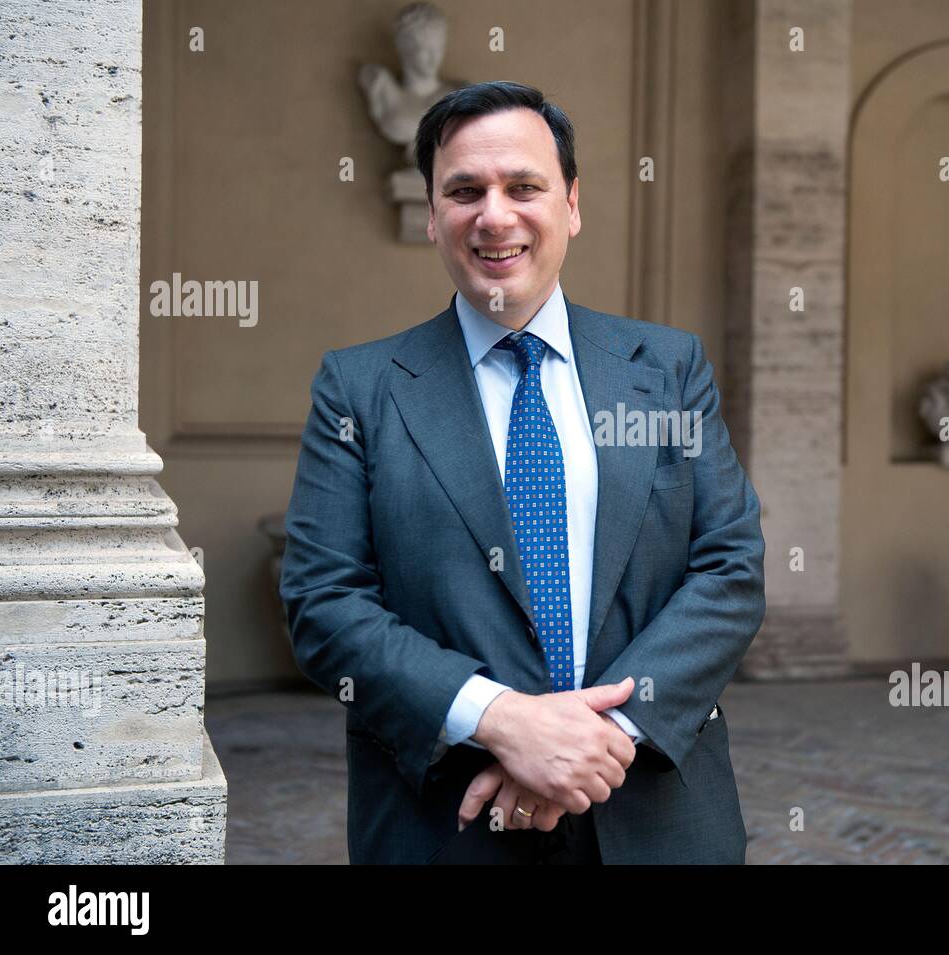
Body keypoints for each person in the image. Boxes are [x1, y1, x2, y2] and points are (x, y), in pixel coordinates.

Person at [279, 80, 765, 864]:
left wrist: (590, 740)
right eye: (465, 190)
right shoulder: (360, 389)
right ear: (433, 215)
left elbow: (730, 568)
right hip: (450, 824)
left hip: (658, 815)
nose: (494, 215)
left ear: (571, 204)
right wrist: (502, 718)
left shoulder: (669, 369)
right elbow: (323, 602)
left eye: (524, 186)